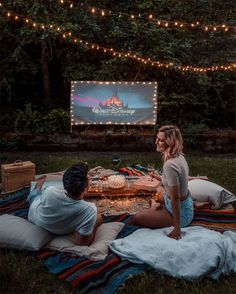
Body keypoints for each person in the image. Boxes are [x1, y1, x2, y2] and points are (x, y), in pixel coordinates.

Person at [131, 125, 194, 240]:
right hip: (180, 202)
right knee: (158, 192)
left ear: (170, 142)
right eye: (157, 138)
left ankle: (159, 209)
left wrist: (177, 228)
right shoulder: (179, 156)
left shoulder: (170, 165)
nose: (156, 142)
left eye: (160, 140)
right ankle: (158, 205)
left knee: (137, 217)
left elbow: (175, 198)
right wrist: (159, 177)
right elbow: (176, 181)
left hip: (180, 213)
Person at [28, 162, 103, 246]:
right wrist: (95, 223)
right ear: (85, 189)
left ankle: (38, 189)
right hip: (54, 226)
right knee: (34, 196)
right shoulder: (90, 210)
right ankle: (37, 187)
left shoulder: (50, 191)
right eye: (88, 178)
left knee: (38, 195)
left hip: (35, 218)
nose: (89, 177)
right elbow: (83, 243)